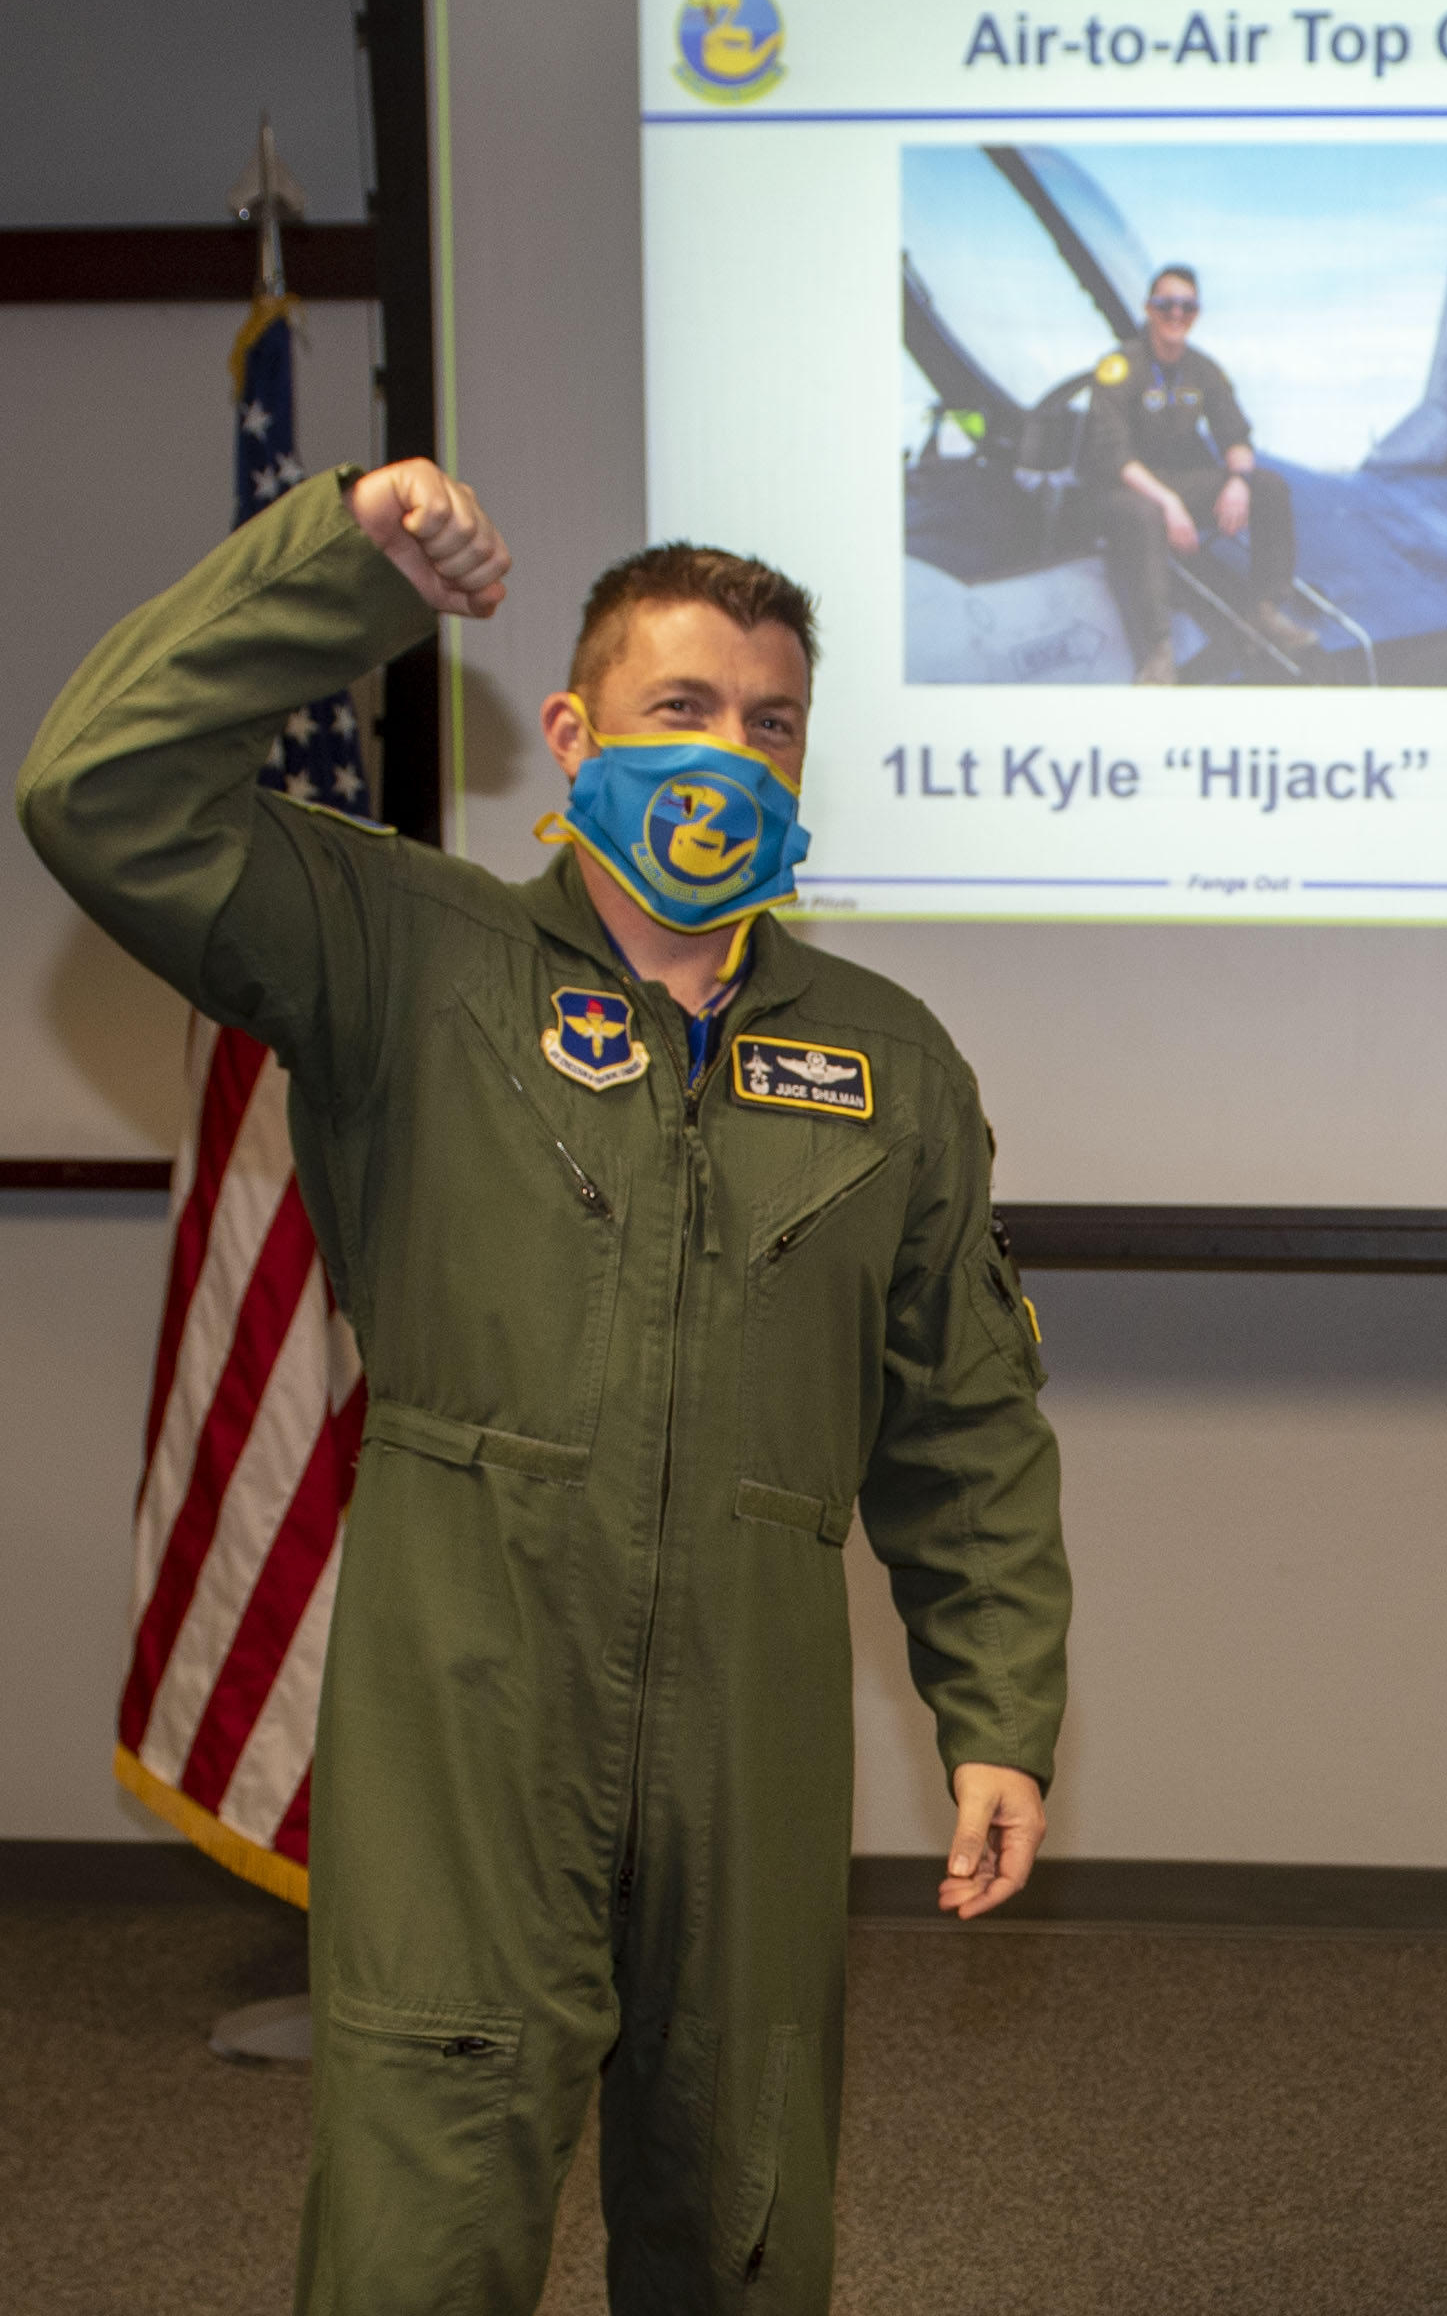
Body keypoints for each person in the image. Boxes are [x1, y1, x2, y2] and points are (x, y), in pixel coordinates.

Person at [18, 460, 1072, 2314]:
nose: (730, 756)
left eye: (773, 724)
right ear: (572, 732)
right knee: (424, 2218)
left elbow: (959, 1418)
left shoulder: (887, 1061)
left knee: (742, 2211)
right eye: (684, 710)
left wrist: (996, 1706)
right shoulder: (407, 957)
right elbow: (95, 792)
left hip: (751, 1710)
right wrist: (340, 568)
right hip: (471, 1684)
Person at [1085, 261, 1312, 683]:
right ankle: (1158, 652)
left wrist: (1239, 483)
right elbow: (1113, 455)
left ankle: (1264, 610)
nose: (1176, 314)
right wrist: (1169, 503)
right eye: (1166, 304)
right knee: (1145, 515)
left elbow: (1236, 435)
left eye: (1186, 307)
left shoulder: (1204, 371)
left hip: (1179, 480)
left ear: (1196, 313)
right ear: (1150, 310)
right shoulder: (1120, 368)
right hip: (1123, 489)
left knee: (1269, 487)